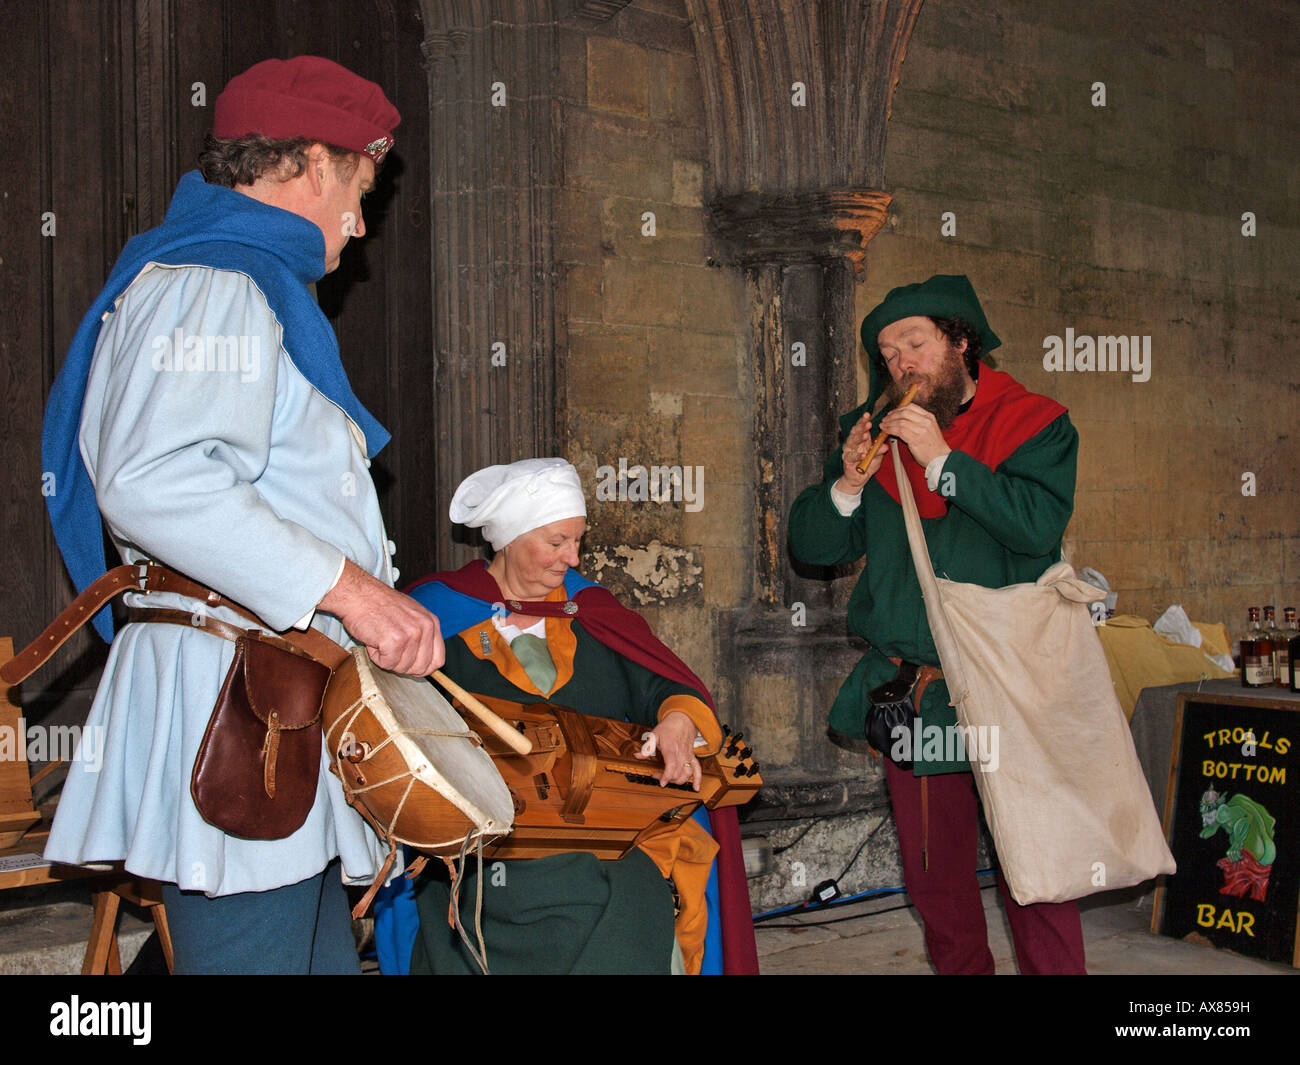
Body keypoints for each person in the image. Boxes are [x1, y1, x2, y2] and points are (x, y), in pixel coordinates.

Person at [40, 56, 444, 974]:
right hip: (234, 696)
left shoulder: (245, 283)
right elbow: (157, 480)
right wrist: (356, 593)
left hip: (270, 692)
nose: (361, 219)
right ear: (310, 162)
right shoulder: (213, 284)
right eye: (361, 185)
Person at [788, 274, 1087, 974]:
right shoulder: (873, 436)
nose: (902, 365)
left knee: (1035, 871)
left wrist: (944, 462)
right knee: (937, 882)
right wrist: (847, 484)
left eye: (915, 344)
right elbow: (814, 548)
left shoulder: (1035, 422)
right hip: (916, 691)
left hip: (1012, 685)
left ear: (960, 341)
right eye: (888, 354)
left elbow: (1036, 522)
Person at [373, 458, 758, 974]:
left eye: (577, 541)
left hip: (608, 833)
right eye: (556, 543)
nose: (571, 558)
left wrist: (677, 719)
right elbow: (390, 733)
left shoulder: (591, 611)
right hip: (486, 847)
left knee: (631, 895)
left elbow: (665, 684)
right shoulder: (431, 618)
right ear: (508, 539)